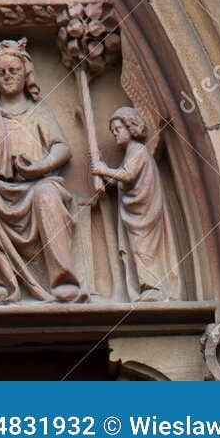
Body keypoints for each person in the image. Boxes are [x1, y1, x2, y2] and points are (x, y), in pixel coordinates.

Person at [0, 39, 85, 304]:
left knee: (47, 193)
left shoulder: (37, 111)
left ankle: (63, 279)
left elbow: (62, 149)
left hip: (35, 185)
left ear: (26, 74)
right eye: (1, 72)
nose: (8, 76)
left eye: (14, 70)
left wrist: (41, 167)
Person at [93, 107, 179, 300]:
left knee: (143, 248)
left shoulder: (138, 151)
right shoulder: (130, 153)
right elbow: (121, 181)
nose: (115, 134)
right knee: (137, 248)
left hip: (144, 213)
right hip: (136, 212)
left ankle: (154, 287)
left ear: (131, 127)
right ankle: (146, 286)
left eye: (118, 129)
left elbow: (128, 175)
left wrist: (104, 169)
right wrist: (103, 173)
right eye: (113, 131)